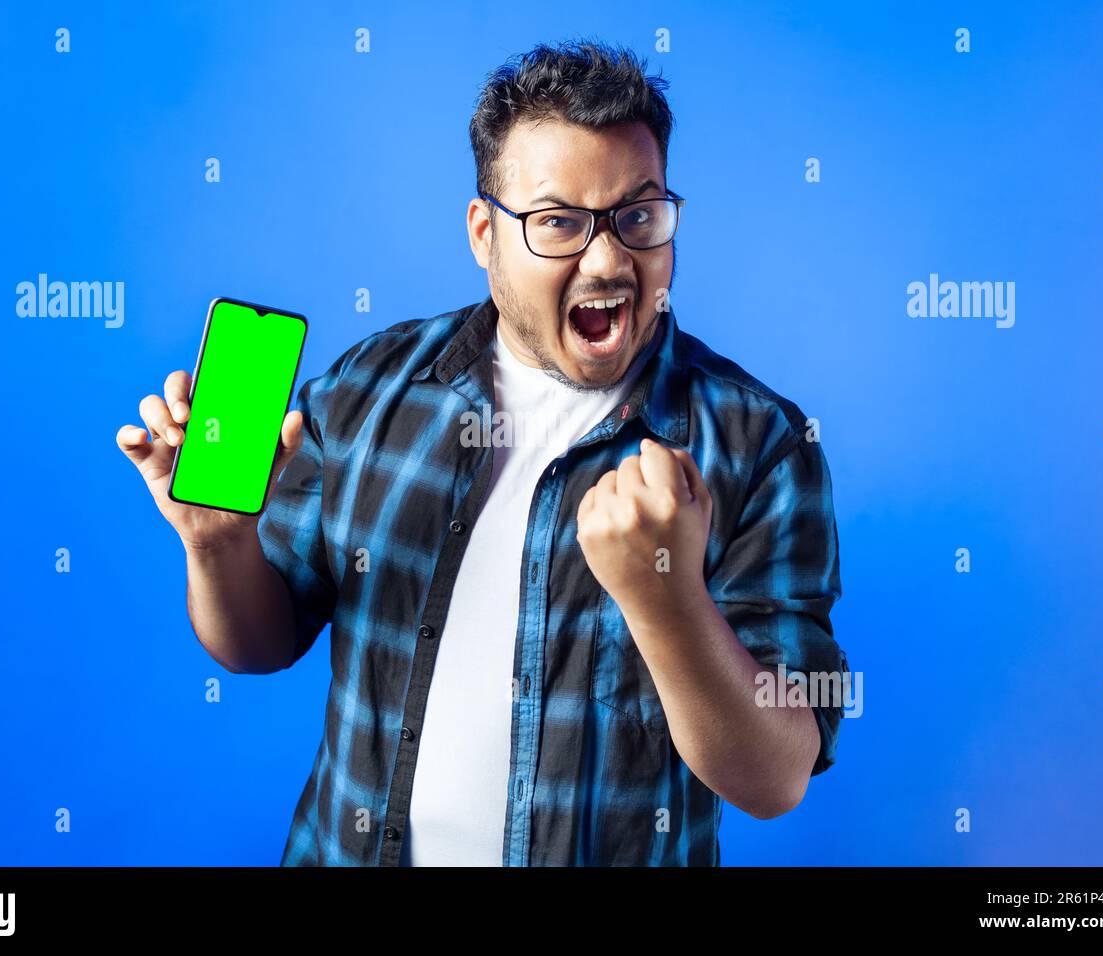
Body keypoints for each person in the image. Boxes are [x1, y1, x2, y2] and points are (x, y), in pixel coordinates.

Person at [116, 39, 848, 867]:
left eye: (638, 217)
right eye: (559, 223)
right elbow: (258, 642)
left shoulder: (757, 444)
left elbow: (775, 776)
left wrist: (666, 600)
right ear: (483, 234)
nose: (609, 259)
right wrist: (219, 545)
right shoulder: (369, 390)